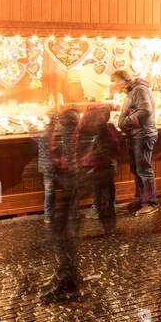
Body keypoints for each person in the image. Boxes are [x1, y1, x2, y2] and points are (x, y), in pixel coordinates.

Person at [43, 109, 82, 302]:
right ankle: (68, 278)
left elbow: (60, 157)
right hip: (72, 180)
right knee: (66, 233)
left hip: (68, 181)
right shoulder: (75, 134)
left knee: (63, 235)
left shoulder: (64, 137)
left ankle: (66, 282)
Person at [114, 68, 159, 216]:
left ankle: (151, 203)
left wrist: (126, 121)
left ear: (122, 80)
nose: (114, 85)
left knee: (143, 169)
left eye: (115, 82)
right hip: (135, 134)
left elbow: (145, 110)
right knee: (136, 169)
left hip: (143, 134)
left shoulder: (139, 89)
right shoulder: (132, 90)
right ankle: (141, 199)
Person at [77, 104, 122, 234]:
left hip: (98, 166)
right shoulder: (109, 129)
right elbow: (115, 146)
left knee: (98, 187)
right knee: (109, 188)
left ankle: (98, 210)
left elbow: (81, 148)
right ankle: (110, 218)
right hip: (109, 164)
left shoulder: (87, 131)